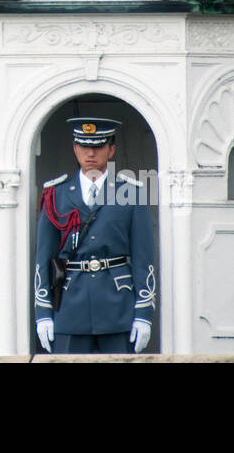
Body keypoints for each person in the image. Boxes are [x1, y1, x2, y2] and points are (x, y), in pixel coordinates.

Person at [33, 117, 156, 354]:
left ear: (111, 150)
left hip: (118, 307)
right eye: (84, 146)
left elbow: (144, 258)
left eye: (98, 146)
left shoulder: (131, 193)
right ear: (74, 148)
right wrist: (43, 313)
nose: (90, 153)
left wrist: (143, 314)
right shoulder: (55, 194)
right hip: (68, 308)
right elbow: (43, 258)